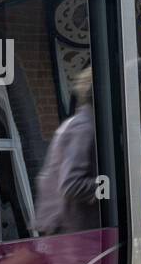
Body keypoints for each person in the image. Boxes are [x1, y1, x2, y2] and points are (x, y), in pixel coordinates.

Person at [34, 68, 100, 235]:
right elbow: (72, 185)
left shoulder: (80, 124)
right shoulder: (84, 127)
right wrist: (116, 185)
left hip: (66, 229)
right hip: (70, 232)